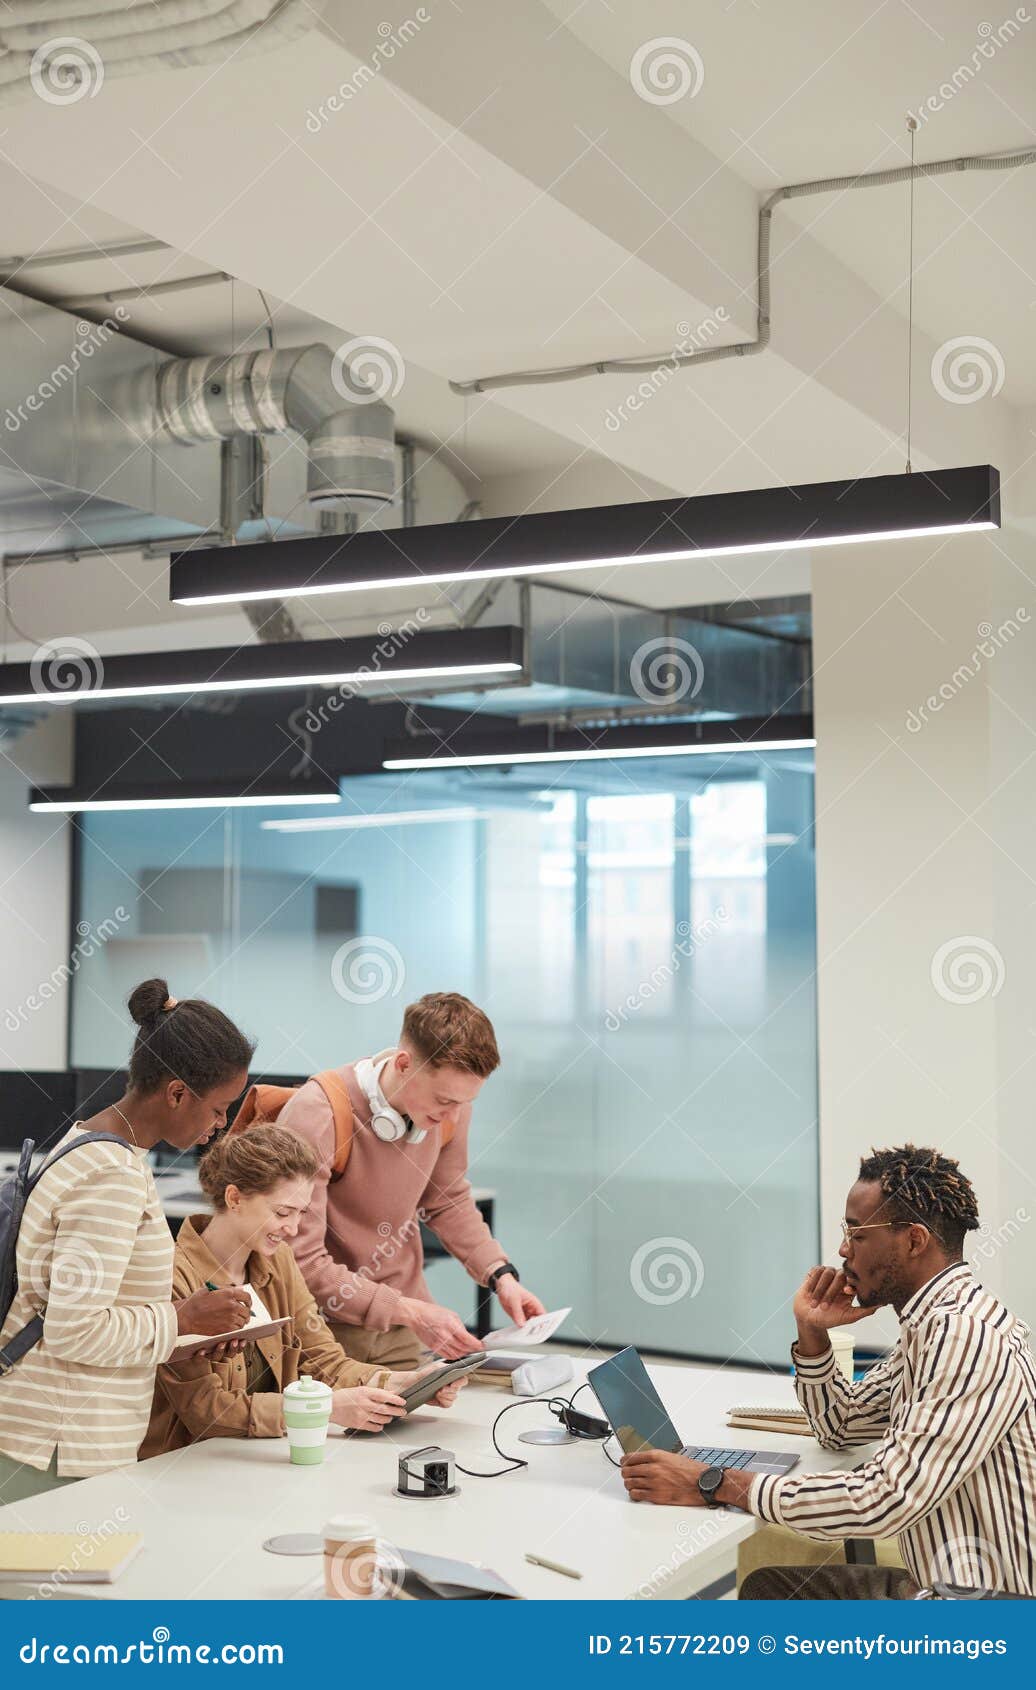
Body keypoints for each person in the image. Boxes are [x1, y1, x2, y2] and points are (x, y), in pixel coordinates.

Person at [620, 1144, 1036, 1599]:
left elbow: (883, 1499)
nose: (842, 1249)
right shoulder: (933, 1324)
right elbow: (842, 1426)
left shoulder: (965, 1338)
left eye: (857, 1235)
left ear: (914, 1241)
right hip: (950, 1587)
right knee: (770, 1586)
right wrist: (812, 1333)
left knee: (769, 1596)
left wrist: (715, 1483)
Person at [0, 979, 256, 1506]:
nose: (221, 1125)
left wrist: (187, 1331)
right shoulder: (111, 1176)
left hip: (55, 1435)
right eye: (217, 1108)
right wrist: (183, 1319)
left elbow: (88, 1310)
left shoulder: (90, 1143)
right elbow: (75, 1332)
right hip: (59, 1441)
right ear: (177, 1092)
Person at [142, 1123, 468, 1455]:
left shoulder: (278, 1261)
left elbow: (325, 1362)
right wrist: (323, 1408)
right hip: (186, 1467)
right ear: (234, 1198)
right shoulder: (172, 1277)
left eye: (300, 1213)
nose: (294, 1228)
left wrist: (404, 1383)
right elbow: (206, 1411)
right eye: (282, 1212)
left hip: (257, 1459)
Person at [276, 992, 545, 1370]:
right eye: (444, 1099)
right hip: (322, 1330)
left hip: (403, 1324)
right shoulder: (319, 1113)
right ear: (404, 1064)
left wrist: (500, 1274)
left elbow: (447, 1199)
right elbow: (300, 1264)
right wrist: (411, 1311)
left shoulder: (450, 1112)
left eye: (464, 1103)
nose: (453, 1114)